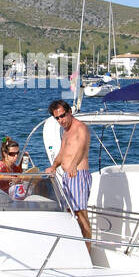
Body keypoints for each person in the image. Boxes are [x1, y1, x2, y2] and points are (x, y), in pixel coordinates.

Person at [43, 99, 92, 239]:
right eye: (57, 118)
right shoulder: (65, 132)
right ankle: (77, 246)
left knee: (81, 216)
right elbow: (62, 153)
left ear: (70, 112)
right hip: (66, 176)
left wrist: (74, 164)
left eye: (63, 115)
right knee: (70, 214)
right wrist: (54, 165)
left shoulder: (80, 127)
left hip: (78, 175)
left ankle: (87, 254)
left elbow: (83, 147)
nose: (61, 120)